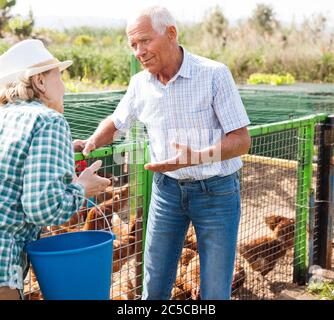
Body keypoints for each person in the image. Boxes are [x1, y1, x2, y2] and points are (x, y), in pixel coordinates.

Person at [75, 6, 251, 300]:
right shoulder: (139, 84)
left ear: (171, 33)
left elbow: (241, 141)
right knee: (154, 286)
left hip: (216, 192)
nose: (139, 52)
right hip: (166, 191)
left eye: (144, 41)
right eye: (133, 45)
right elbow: (116, 123)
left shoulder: (213, 74)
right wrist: (92, 141)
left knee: (214, 290)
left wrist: (195, 157)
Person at [0, 39, 110, 300]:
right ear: (39, 82)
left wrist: (61, 150)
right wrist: (83, 187)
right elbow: (42, 207)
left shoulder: (5, 116)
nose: (64, 86)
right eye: (58, 76)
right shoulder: (48, 121)